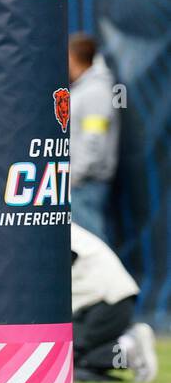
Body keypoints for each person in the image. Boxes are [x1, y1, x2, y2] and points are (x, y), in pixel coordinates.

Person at [72, 224, 158, 383]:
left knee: (59, 358)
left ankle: (126, 347)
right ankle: (127, 345)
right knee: (65, 364)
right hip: (101, 303)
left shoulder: (47, 228)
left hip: (106, 304)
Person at [69, 33, 119, 241]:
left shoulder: (95, 92)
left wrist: (76, 176)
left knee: (94, 244)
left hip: (86, 184)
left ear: (73, 58)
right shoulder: (84, 89)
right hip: (81, 183)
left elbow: (94, 140)